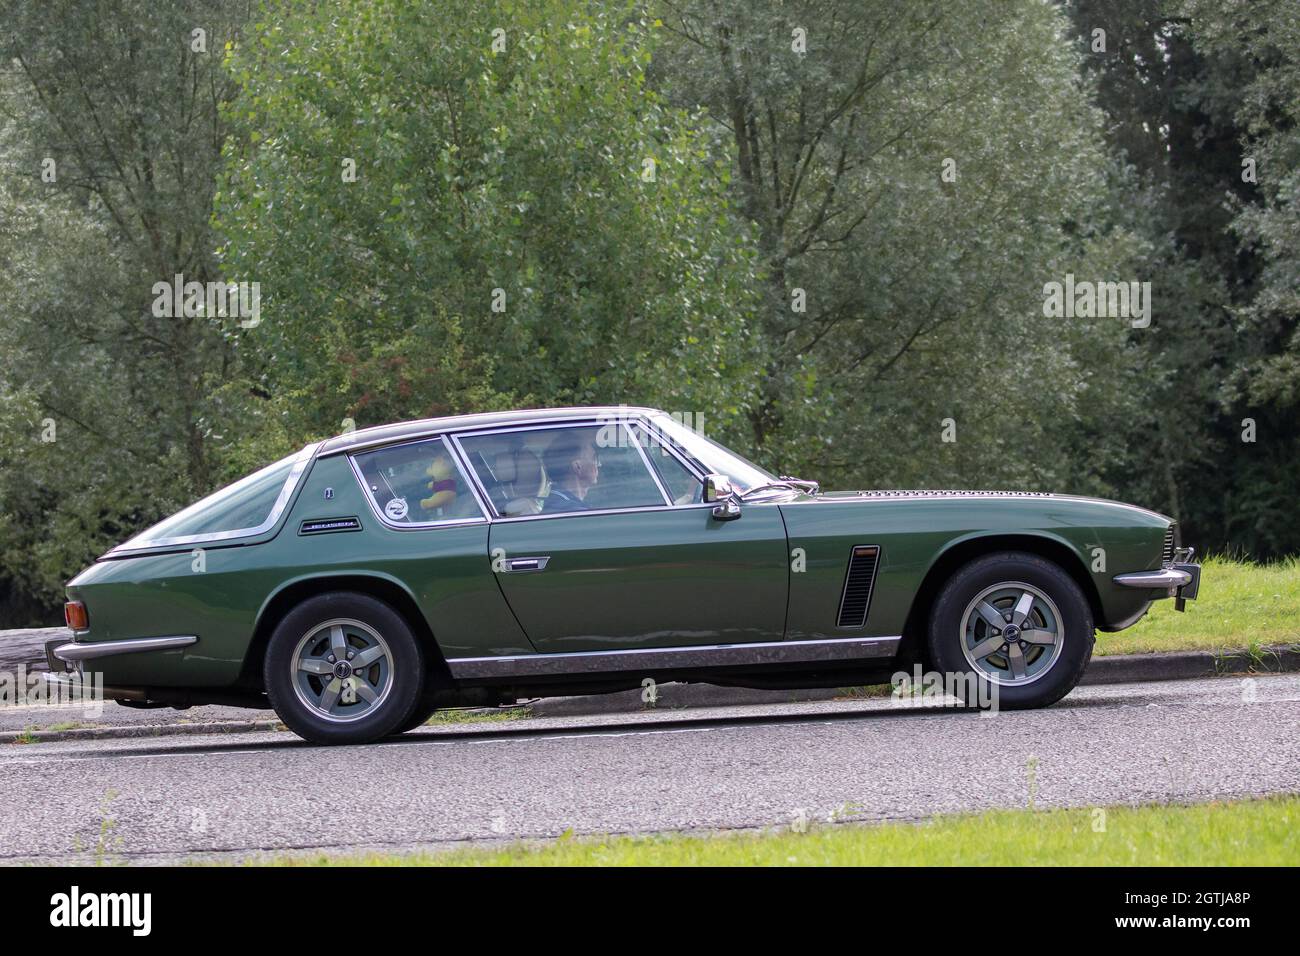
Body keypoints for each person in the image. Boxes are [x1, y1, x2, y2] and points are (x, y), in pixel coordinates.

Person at [542, 431, 600, 512]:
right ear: (577, 467)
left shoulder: (561, 503)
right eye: (594, 459)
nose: (599, 465)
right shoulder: (571, 511)